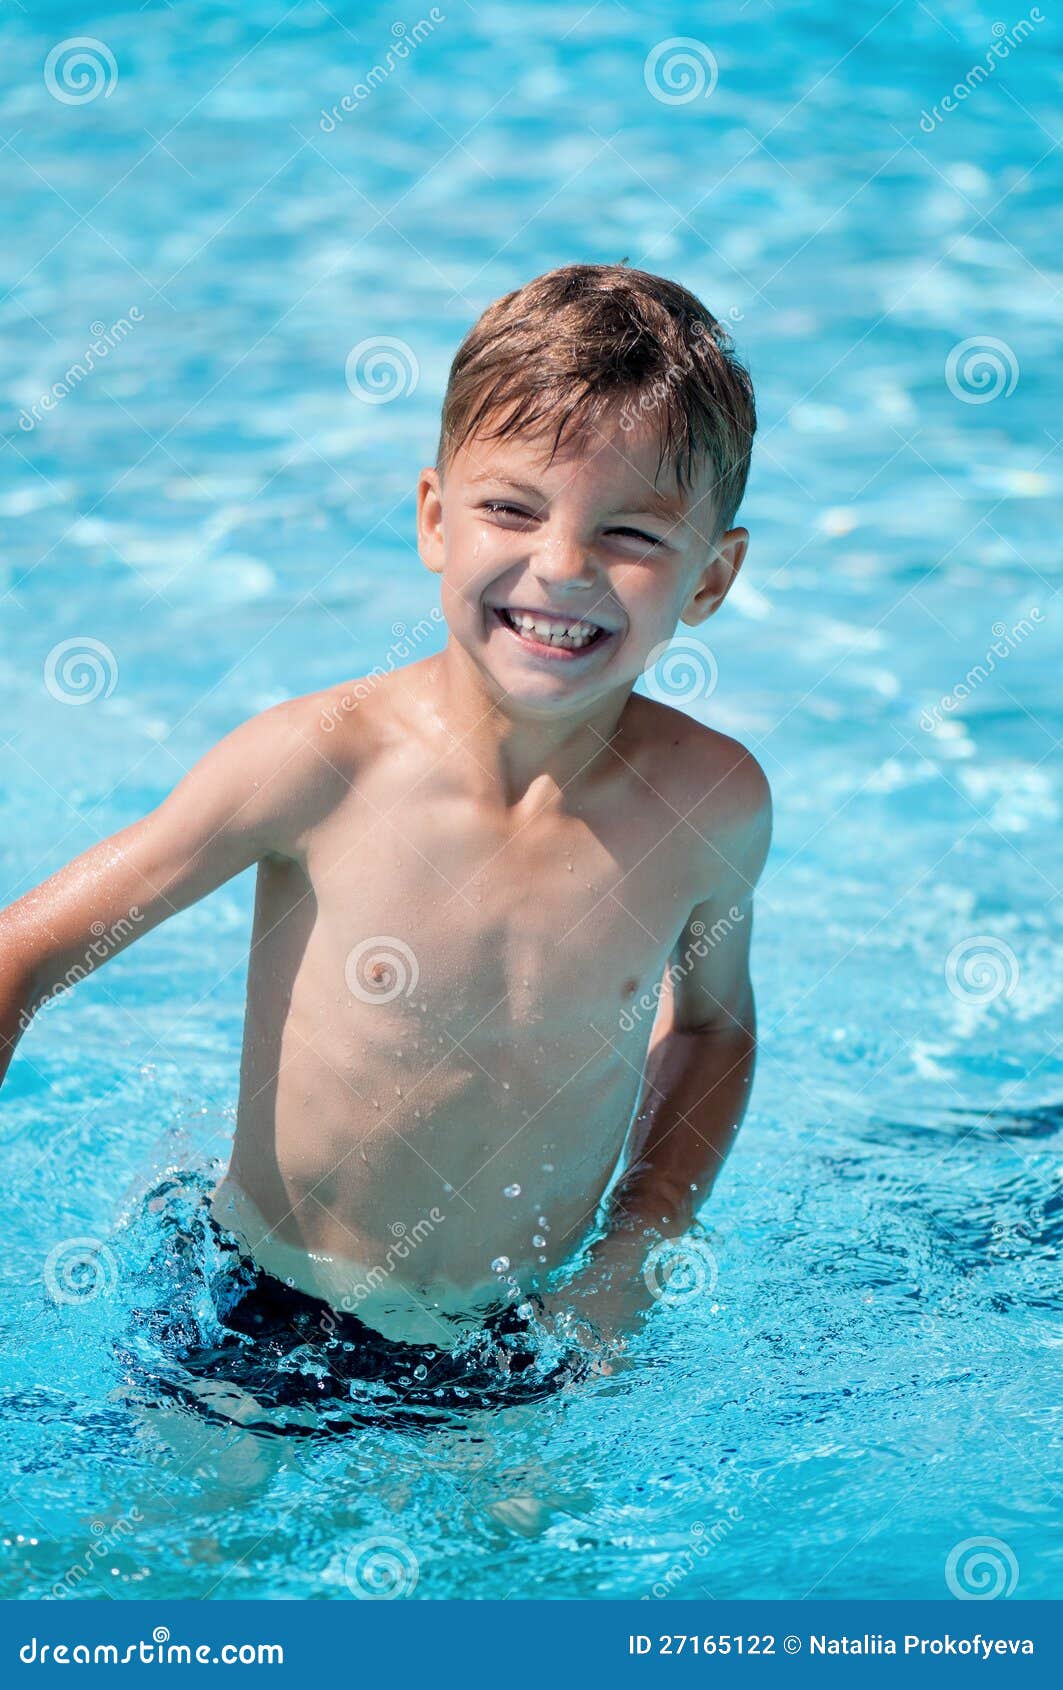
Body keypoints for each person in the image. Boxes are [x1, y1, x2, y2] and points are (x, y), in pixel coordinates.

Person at [0, 263, 771, 1381]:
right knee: (170, 1554)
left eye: (631, 535)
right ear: (432, 518)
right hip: (255, 1309)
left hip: (513, 1342)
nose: (560, 567)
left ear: (712, 577)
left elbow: (712, 1029)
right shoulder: (319, 765)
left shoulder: (708, 805)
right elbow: (25, 952)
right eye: (511, 507)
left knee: (519, 1558)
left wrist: (635, 1248)